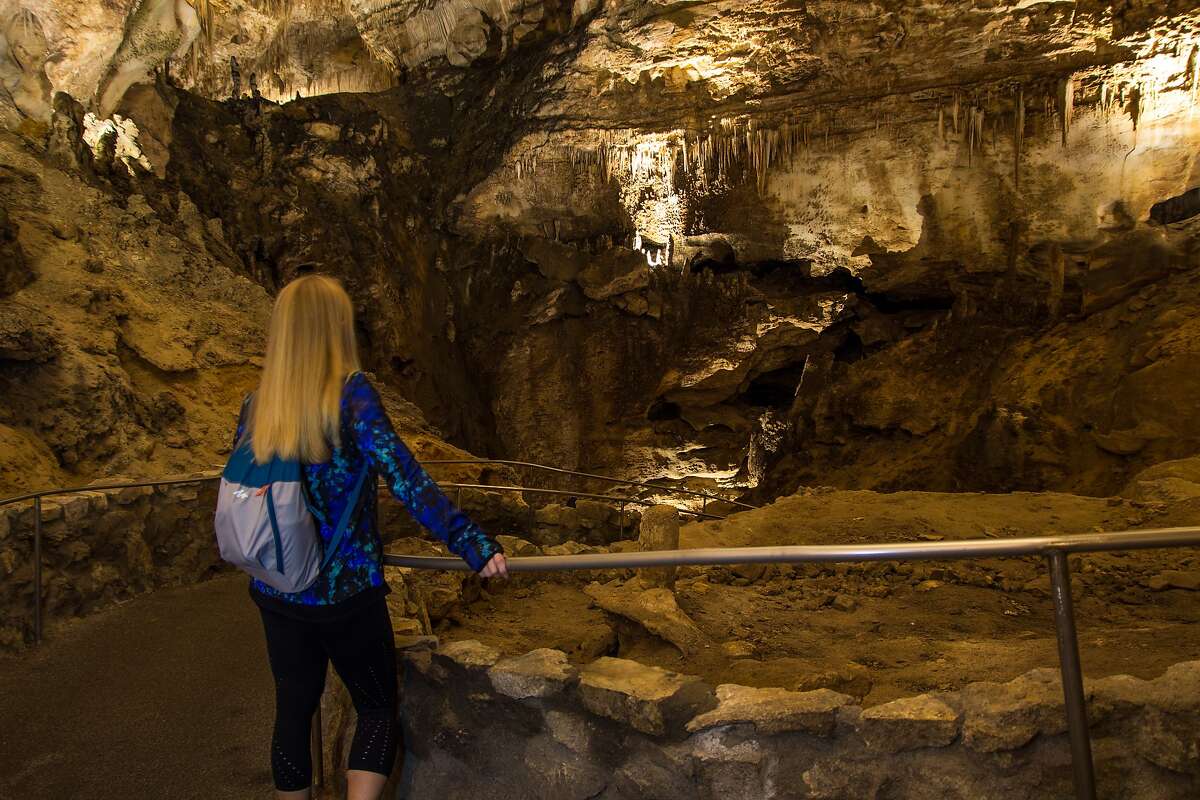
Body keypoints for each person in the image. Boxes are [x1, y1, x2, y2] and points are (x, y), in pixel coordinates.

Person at [230, 274, 507, 800]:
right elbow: (404, 476)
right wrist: (472, 543)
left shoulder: (258, 403)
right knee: (375, 707)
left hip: (275, 588)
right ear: (336, 328)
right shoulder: (352, 395)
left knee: (293, 707)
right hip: (345, 592)